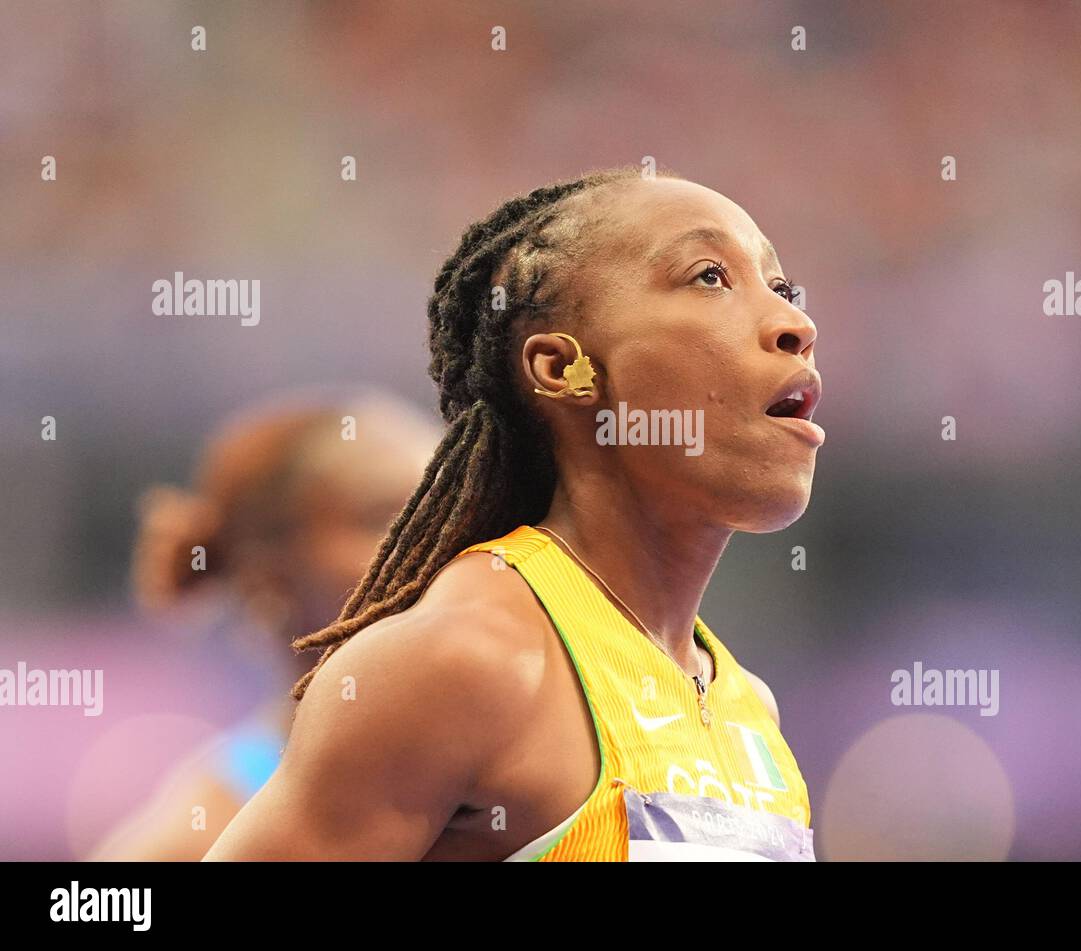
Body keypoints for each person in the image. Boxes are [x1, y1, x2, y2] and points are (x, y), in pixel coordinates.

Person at [206, 165, 823, 861]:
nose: (795, 323)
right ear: (563, 369)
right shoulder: (467, 662)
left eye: (781, 287)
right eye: (710, 276)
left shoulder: (751, 712)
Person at [86, 388, 440, 860]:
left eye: (449, 507)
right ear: (269, 578)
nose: (442, 542)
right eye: (384, 516)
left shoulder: (514, 762)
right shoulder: (191, 842)